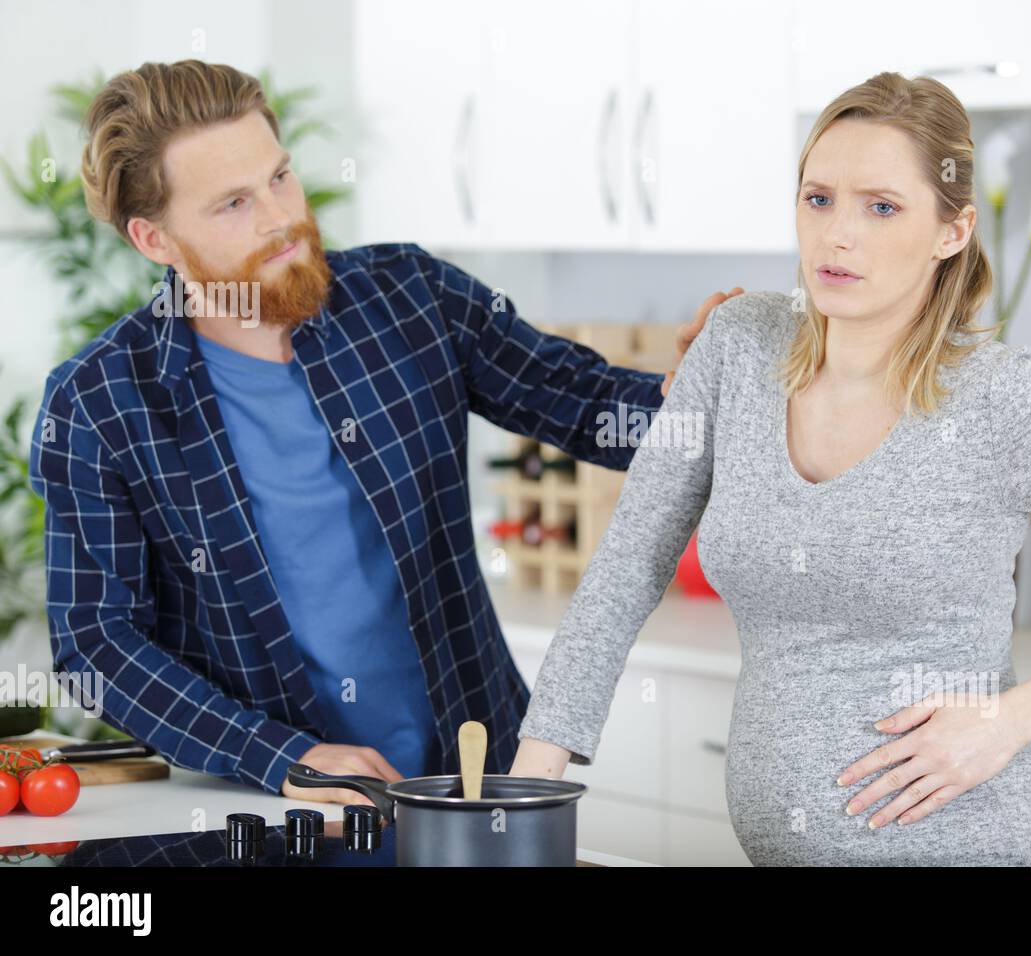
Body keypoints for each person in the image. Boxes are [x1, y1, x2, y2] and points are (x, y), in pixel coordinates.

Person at [510, 72, 1031, 865]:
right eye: (818, 198)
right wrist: (528, 788)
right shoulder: (736, 347)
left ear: (952, 230)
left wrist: (1007, 722)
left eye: (882, 206)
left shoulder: (1003, 400)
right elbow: (627, 566)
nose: (837, 235)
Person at [27, 59, 738, 806]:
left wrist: (687, 398)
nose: (280, 217)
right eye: (234, 203)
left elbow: (586, 404)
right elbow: (97, 646)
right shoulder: (98, 402)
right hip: (268, 808)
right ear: (154, 238)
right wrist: (285, 759)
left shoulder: (409, 297)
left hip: (475, 784)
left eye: (280, 177)